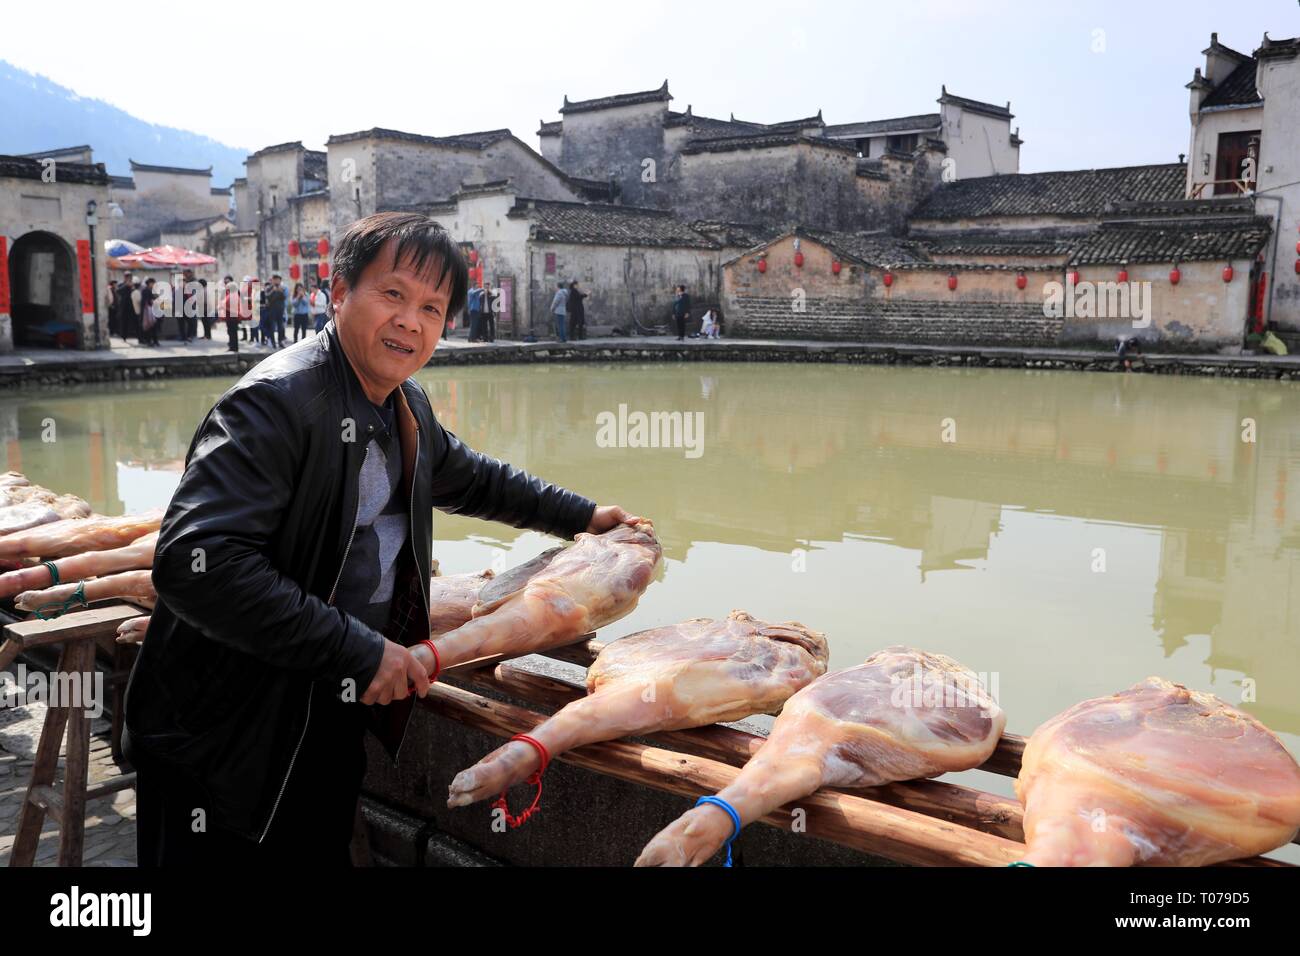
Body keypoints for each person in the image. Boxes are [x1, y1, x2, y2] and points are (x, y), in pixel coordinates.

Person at [123, 211, 643, 867]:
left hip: (326, 709)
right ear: (338, 292)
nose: (411, 321)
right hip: (230, 732)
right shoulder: (276, 405)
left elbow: (476, 480)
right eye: (393, 294)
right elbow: (198, 566)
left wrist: (586, 516)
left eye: (432, 306)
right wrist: (359, 648)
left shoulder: (405, 404)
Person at [221, 276, 241, 353]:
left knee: (233, 333)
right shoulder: (232, 295)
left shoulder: (233, 296)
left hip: (232, 317)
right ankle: (232, 347)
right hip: (231, 317)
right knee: (231, 332)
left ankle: (233, 348)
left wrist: (225, 307)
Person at [140, 278, 160, 346]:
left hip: (152, 310)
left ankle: (155, 340)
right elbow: (144, 301)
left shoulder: (152, 290)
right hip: (147, 311)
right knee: (148, 327)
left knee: (153, 326)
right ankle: (149, 341)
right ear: (149, 283)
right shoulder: (145, 290)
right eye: (153, 283)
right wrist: (151, 301)